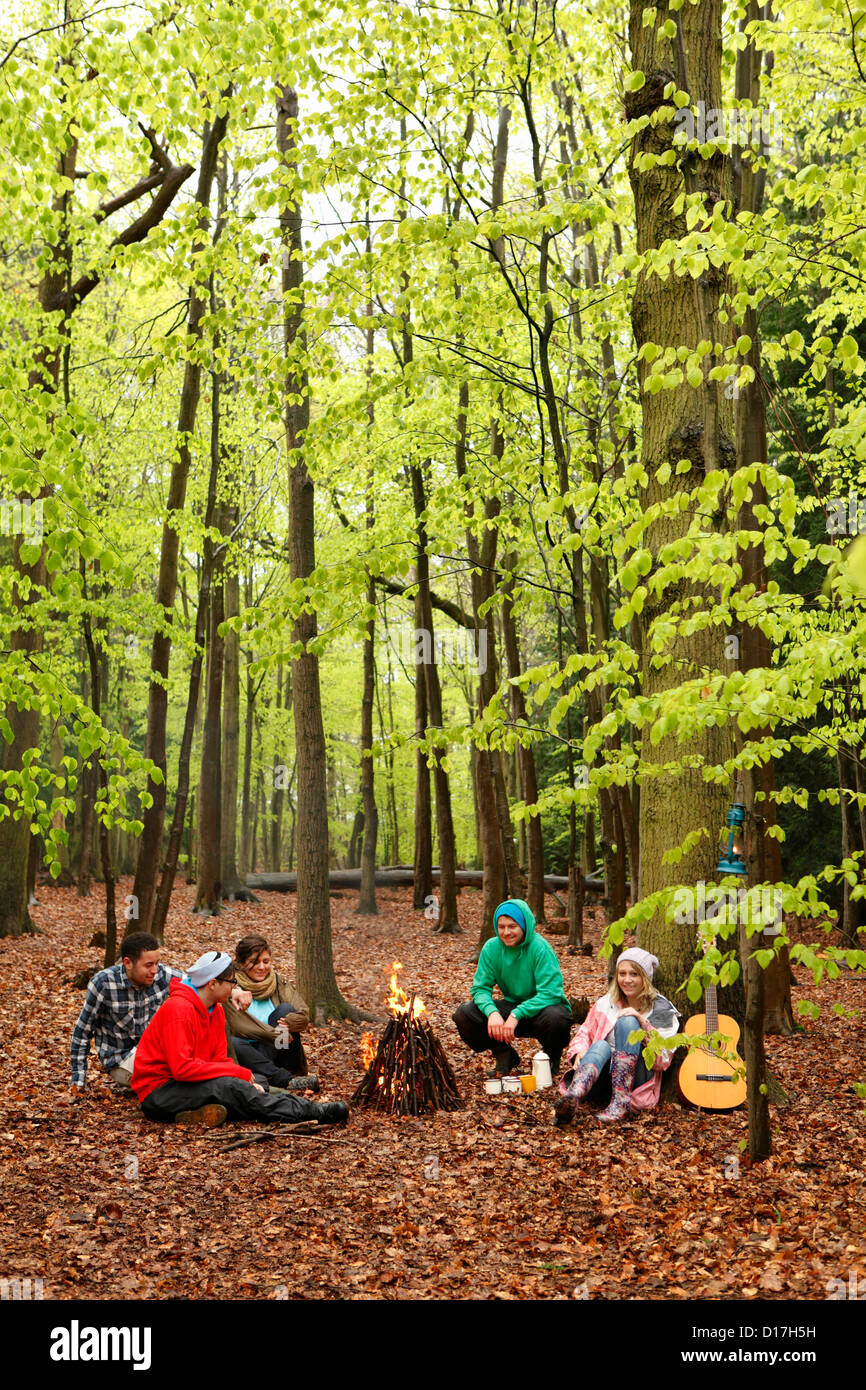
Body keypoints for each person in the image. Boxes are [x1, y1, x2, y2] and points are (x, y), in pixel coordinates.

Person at [131, 950, 348, 1127]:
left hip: (188, 1084)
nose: (234, 988)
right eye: (231, 983)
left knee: (255, 1082)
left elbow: (218, 1058)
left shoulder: (215, 1011)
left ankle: (196, 1114)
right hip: (160, 1091)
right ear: (212, 983)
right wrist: (238, 1075)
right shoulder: (178, 1010)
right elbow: (182, 1068)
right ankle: (314, 1112)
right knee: (232, 1087)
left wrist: (244, 1077)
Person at [69, 932, 252, 1093]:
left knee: (190, 1065)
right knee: (181, 1072)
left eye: (157, 963)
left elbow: (203, 982)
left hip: (156, 1050)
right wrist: (79, 1081)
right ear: (128, 963)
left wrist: (235, 991)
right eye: (148, 965)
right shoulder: (103, 984)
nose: (154, 970)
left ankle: (227, 1083)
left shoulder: (161, 974)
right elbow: (82, 1032)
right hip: (121, 1058)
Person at [553, 946, 680, 1126]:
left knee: (627, 1022)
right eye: (622, 973)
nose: (627, 980)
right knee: (600, 1046)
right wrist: (580, 1051)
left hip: (636, 1082)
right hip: (599, 1081)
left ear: (646, 977)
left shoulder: (663, 1011)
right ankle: (573, 1098)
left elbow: (662, 1061)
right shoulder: (607, 1003)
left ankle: (620, 1103)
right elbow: (583, 1033)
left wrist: (641, 1022)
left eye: (634, 974)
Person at [452, 899, 573, 1074]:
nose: (506, 932)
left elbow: (551, 993)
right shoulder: (491, 948)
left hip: (541, 1011)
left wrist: (517, 1014)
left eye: (512, 926)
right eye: (501, 927)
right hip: (511, 1007)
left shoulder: (540, 948)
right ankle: (504, 1055)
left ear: (524, 925)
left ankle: (550, 1059)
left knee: (557, 1017)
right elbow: (480, 989)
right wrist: (492, 1012)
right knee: (465, 1013)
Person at [222, 933, 317, 1092]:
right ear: (241, 963)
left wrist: (290, 1022)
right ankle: (285, 1080)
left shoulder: (277, 983)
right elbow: (239, 1028)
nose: (261, 967)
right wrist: (268, 1033)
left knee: (285, 1010)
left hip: (277, 1049)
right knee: (234, 1042)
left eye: (266, 962)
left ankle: (281, 1075)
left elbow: (304, 1015)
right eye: (254, 962)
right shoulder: (230, 986)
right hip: (248, 1056)